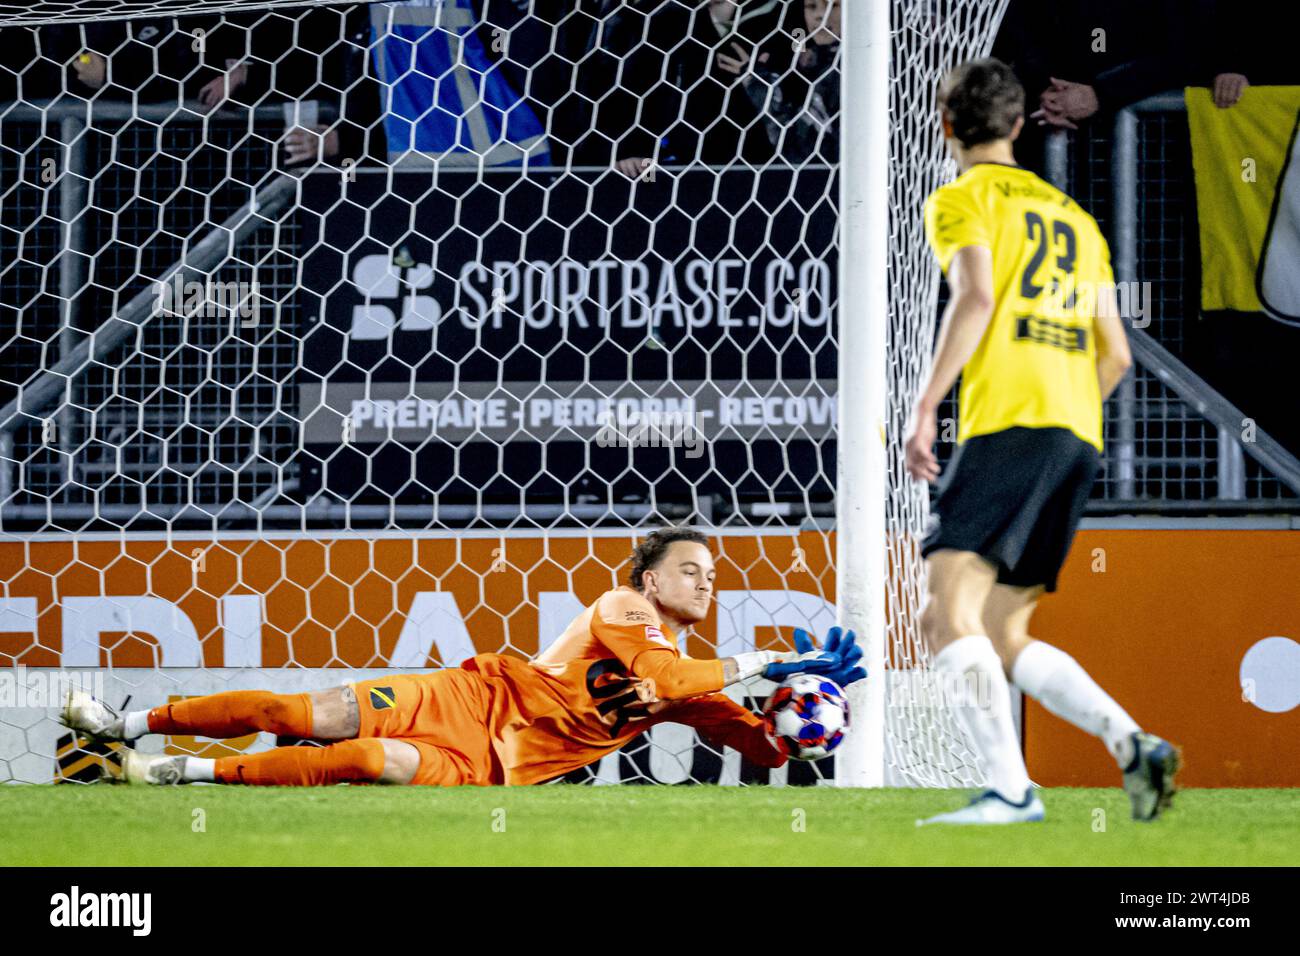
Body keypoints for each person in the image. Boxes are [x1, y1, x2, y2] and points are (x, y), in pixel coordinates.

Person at [904, 58, 1180, 825]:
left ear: (946, 125)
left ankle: (1010, 792)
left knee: (943, 615)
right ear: (1020, 125)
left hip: (1011, 424)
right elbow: (1116, 356)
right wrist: (1065, 420)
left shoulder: (963, 197)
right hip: (1075, 435)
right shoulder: (1075, 219)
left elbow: (977, 297)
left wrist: (925, 406)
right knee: (1001, 630)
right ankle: (1132, 743)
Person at [62, 527, 865, 786]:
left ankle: (185, 772)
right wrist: (766, 659)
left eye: (712, 574)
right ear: (652, 580)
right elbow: (664, 676)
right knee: (297, 714)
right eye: (690, 570)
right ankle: (127, 724)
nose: (706, 581)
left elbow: (754, 744)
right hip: (470, 699)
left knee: (366, 760)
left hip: (492, 767)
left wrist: (798, 718)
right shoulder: (623, 609)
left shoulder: (696, 682)